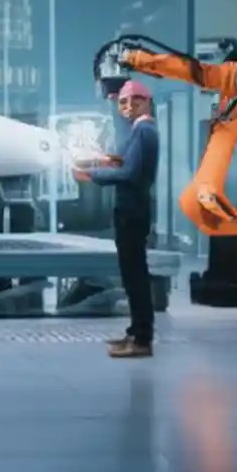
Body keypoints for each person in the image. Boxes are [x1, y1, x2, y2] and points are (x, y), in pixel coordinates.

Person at [73, 80, 160, 359]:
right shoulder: (142, 130)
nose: (128, 105)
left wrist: (94, 176)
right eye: (123, 101)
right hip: (132, 211)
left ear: (147, 101)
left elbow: (131, 175)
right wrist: (114, 161)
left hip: (132, 212)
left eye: (135, 99)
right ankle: (135, 333)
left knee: (135, 277)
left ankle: (142, 339)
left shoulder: (144, 130)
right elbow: (132, 166)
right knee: (132, 276)